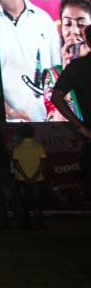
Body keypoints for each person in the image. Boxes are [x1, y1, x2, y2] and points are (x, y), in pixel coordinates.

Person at [0, 0, 61, 122]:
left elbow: (56, 73)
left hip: (47, 125)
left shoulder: (43, 19)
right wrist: (9, 111)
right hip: (10, 126)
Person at [51, 24, 91, 201]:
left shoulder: (78, 66)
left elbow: (57, 97)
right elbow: (56, 98)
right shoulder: (78, 66)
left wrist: (80, 127)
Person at [43, 0, 91, 121]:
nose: (74, 31)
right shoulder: (53, 75)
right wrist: (67, 71)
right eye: (68, 24)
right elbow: (56, 125)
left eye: (81, 25)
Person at [11, 124, 46, 229]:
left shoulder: (17, 148)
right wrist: (35, 176)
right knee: (37, 202)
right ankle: (39, 224)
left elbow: (17, 165)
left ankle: (24, 224)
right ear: (33, 134)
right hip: (37, 179)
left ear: (22, 134)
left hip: (22, 179)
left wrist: (26, 177)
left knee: (23, 202)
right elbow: (42, 163)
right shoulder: (39, 146)